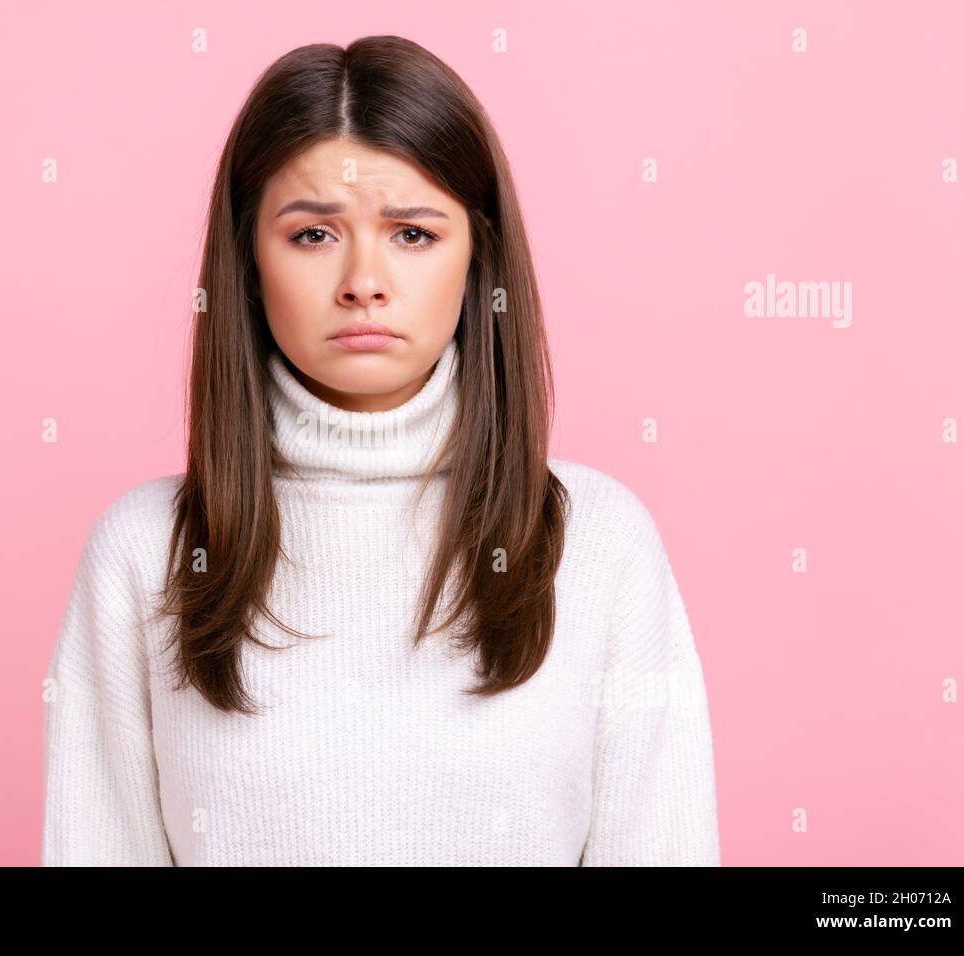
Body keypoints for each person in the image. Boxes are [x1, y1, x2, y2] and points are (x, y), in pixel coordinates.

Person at [41, 34, 721, 866]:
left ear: (478, 259)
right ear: (249, 263)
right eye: (314, 236)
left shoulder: (602, 544)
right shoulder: (143, 553)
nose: (364, 279)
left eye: (412, 234)